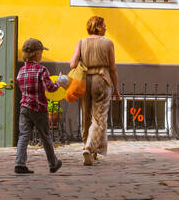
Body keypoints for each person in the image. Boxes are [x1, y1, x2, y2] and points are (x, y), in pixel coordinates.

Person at [69, 16, 120, 166]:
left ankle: (92, 153)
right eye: (104, 25)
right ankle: (89, 147)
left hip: (85, 80)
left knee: (86, 115)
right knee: (99, 117)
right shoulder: (108, 43)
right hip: (101, 79)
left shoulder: (81, 42)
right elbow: (112, 68)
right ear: (97, 26)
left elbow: (72, 64)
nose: (106, 28)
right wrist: (116, 89)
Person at [12, 38, 67, 175]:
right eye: (41, 52)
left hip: (24, 107)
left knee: (23, 136)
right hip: (39, 107)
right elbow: (50, 88)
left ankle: (19, 163)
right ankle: (53, 163)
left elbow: (21, 86)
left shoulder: (21, 71)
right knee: (45, 136)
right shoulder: (41, 70)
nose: (42, 54)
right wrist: (59, 82)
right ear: (36, 53)